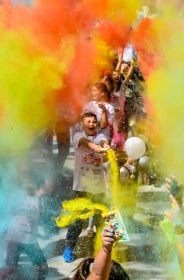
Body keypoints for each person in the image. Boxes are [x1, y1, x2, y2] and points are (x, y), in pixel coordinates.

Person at [65, 112, 110, 262]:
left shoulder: (101, 137)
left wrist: (106, 147)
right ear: (83, 124)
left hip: (99, 189)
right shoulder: (78, 136)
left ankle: (102, 250)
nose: (91, 124)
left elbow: (104, 144)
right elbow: (86, 143)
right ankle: (69, 248)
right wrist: (96, 149)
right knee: (77, 220)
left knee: (102, 220)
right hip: (81, 188)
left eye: (94, 122)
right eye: (88, 122)